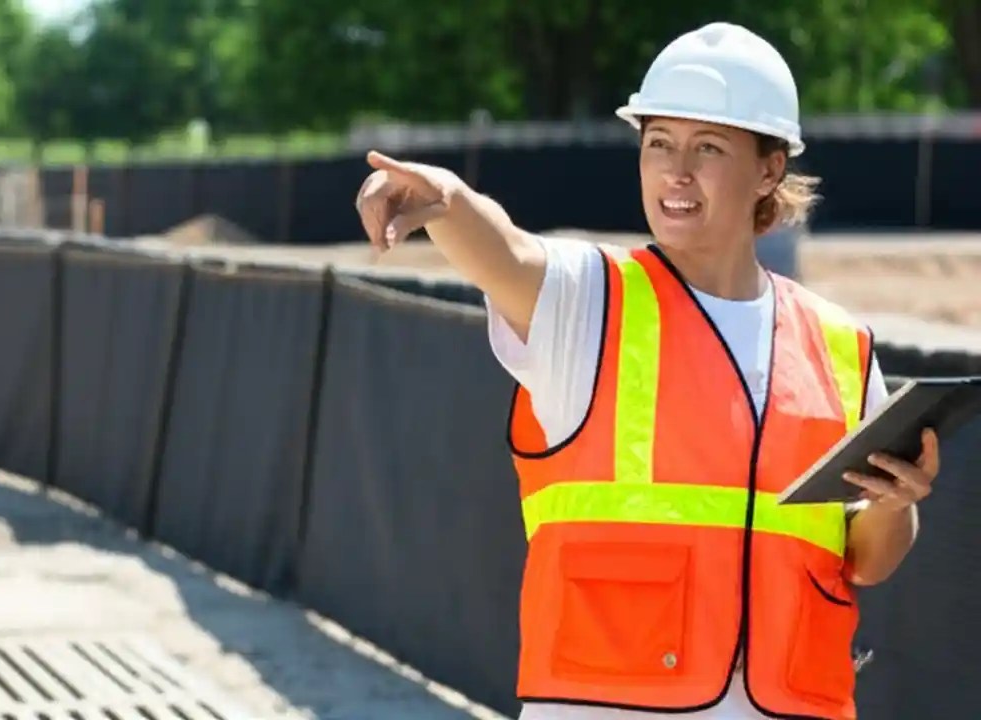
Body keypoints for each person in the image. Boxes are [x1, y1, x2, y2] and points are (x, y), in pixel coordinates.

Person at [353, 22, 939, 720]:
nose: (675, 172)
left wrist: (896, 506)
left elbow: (865, 561)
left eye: (708, 148)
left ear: (769, 169)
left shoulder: (840, 346)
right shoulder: (588, 300)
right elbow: (505, 249)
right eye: (658, 144)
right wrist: (446, 199)